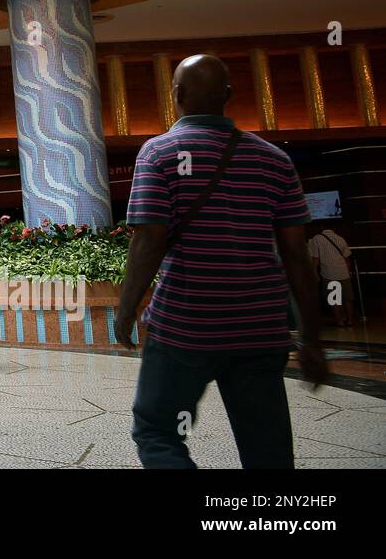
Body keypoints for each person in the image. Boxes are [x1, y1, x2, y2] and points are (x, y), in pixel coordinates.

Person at [115, 54, 328, 469]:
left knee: (157, 430)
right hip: (260, 328)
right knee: (267, 449)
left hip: (185, 325)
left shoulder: (159, 153)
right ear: (229, 95)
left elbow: (148, 242)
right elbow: (297, 257)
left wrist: (126, 310)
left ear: (175, 94)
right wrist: (312, 339)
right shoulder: (275, 160)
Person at [308, 224, 355, 327]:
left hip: (329, 273)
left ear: (321, 228)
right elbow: (347, 258)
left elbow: (315, 258)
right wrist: (348, 272)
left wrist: (314, 272)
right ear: (334, 228)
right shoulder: (340, 238)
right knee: (347, 298)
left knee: (335, 299)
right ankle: (350, 320)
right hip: (343, 273)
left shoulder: (316, 238)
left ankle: (340, 321)